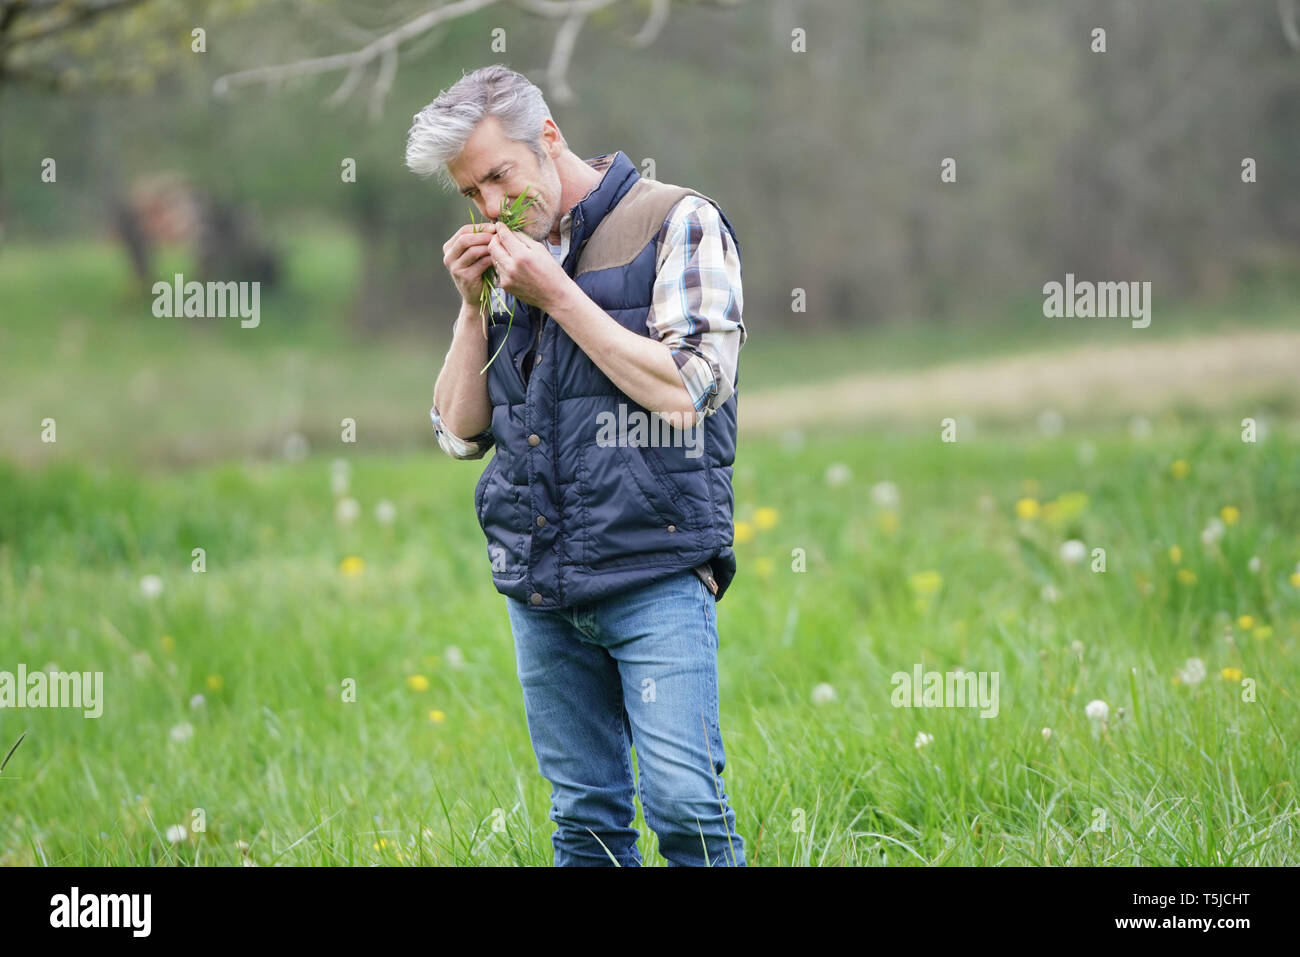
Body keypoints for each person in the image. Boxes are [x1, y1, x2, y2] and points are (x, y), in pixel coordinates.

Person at [406, 64, 747, 867]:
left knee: (685, 805)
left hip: (655, 568)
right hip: (541, 583)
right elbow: (458, 433)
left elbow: (687, 390)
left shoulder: (676, 221)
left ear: (550, 139)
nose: (492, 208)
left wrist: (558, 295)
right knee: (586, 822)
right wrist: (468, 306)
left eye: (501, 177)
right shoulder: (506, 261)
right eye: (471, 194)